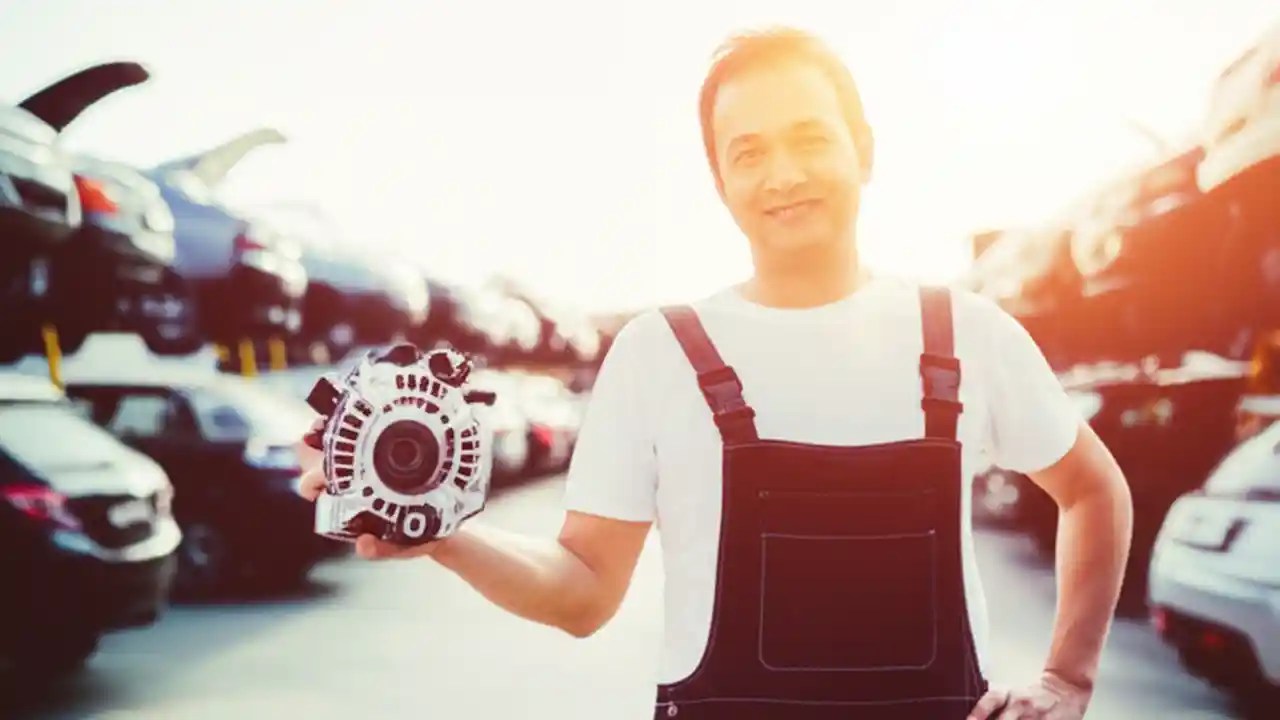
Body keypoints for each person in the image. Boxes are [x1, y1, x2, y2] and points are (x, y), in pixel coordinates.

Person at [297, 26, 1134, 719]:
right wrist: (442, 534)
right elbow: (584, 592)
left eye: (810, 138)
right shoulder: (659, 353)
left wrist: (1069, 677)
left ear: (864, 150)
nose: (784, 174)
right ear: (721, 182)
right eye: (749, 151)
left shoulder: (965, 334)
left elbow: (1094, 490)